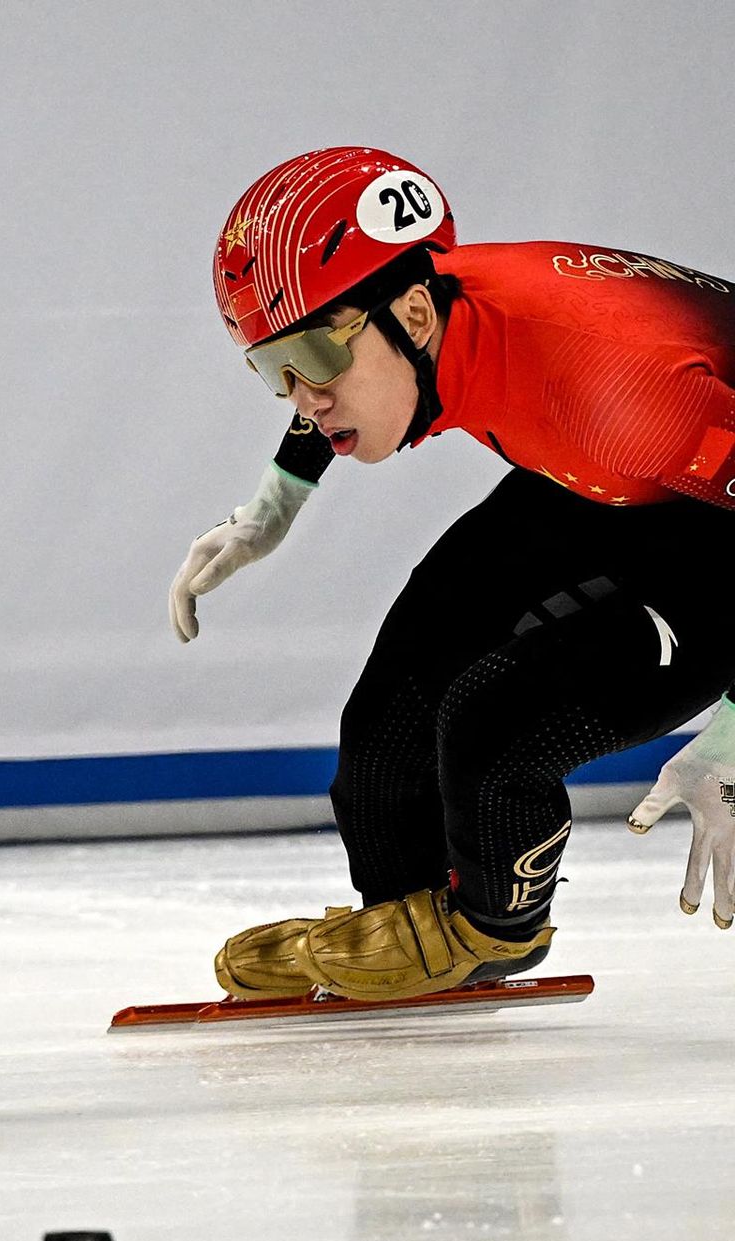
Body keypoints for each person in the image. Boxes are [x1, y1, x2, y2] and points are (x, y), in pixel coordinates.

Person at [171, 148, 734, 1002]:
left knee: (496, 724)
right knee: (390, 716)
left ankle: (490, 929)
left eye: (315, 359)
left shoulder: (625, 388)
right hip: (593, 472)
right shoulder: (429, 314)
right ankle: (405, 918)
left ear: (414, 316)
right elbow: (327, 376)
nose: (302, 397)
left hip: (706, 528)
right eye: (271, 367)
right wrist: (271, 509)